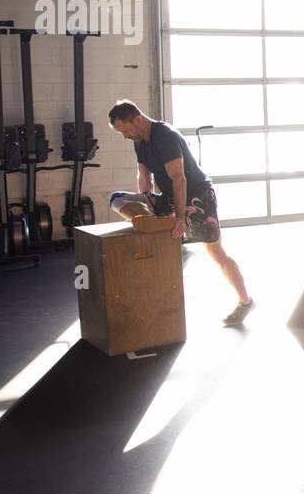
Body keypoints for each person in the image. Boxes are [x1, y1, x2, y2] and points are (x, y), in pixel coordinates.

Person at [107, 100, 254, 326]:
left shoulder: (165, 136)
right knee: (117, 199)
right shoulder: (139, 141)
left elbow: (179, 178)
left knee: (216, 253)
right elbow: (143, 176)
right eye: (121, 133)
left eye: (125, 130)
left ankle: (245, 302)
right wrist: (146, 203)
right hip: (169, 197)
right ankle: (153, 230)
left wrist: (180, 218)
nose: (125, 135)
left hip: (198, 196)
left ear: (138, 120)